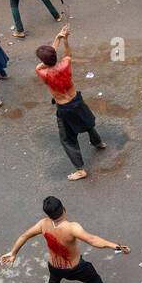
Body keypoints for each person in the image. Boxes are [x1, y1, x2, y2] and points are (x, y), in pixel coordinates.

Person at [0, 195, 127, 283]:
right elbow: (92, 240)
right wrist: (116, 246)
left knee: (53, 281)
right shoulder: (72, 227)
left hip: (54, 266)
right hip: (76, 268)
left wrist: (13, 253)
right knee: (96, 281)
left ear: (48, 215)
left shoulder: (43, 224)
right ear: (64, 209)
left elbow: (24, 236)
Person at [34, 28, 104, 180]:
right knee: (86, 121)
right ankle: (98, 142)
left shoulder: (43, 72)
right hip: (76, 100)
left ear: (43, 61)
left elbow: (43, 64)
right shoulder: (66, 64)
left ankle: (80, 169)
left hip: (64, 107)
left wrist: (57, 38)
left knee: (67, 138)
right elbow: (67, 54)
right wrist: (63, 39)